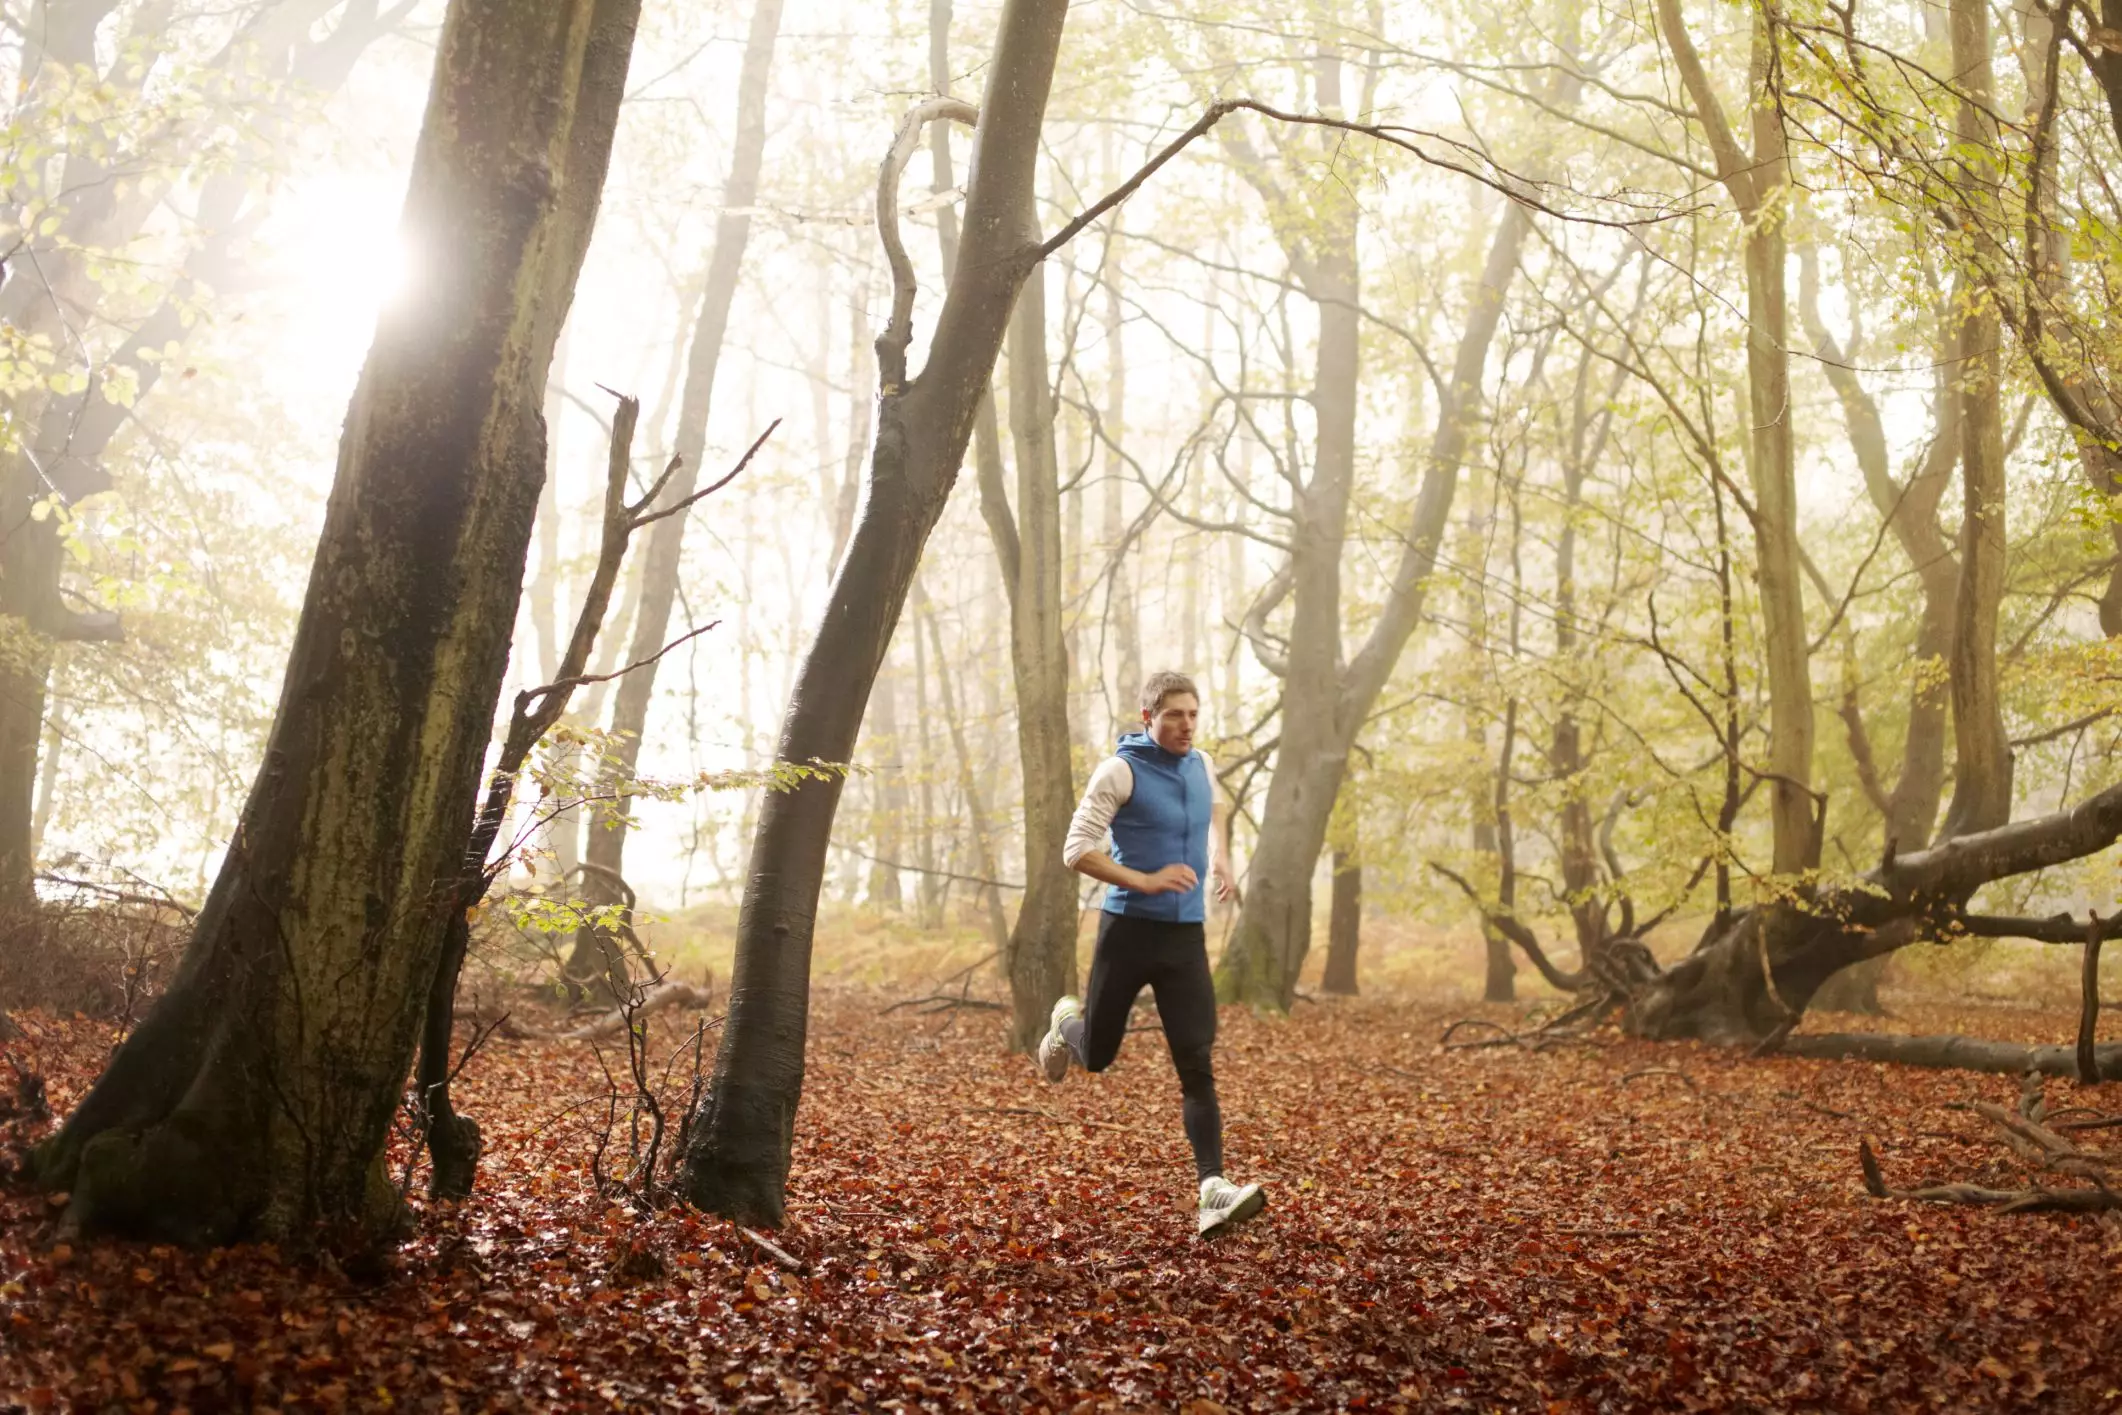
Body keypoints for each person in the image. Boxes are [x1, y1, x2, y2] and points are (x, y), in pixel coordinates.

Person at [1037, 670, 1266, 1238]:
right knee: (1099, 1055)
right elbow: (1075, 851)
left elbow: (1215, 810)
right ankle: (1067, 1024)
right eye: (1173, 716)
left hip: (1185, 938)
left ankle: (1212, 1187)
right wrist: (1143, 880)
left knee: (1197, 1061)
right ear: (1148, 718)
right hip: (1128, 931)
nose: (1186, 725)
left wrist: (1222, 859)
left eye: (1192, 713)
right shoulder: (1121, 771)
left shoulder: (1202, 763)